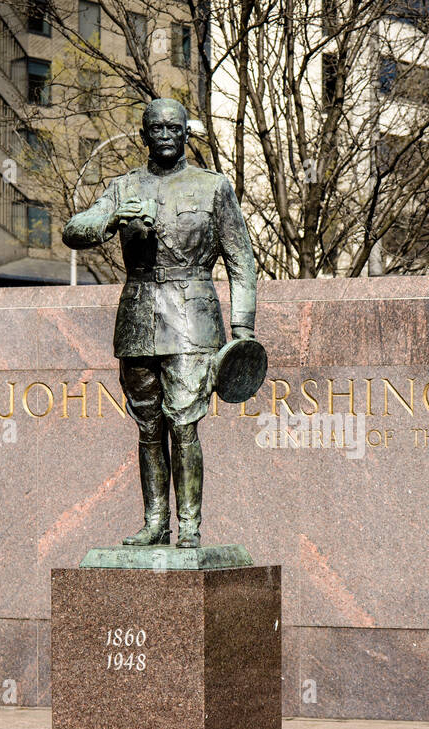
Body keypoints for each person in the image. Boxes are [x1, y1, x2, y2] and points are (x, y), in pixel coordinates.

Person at [62, 98, 257, 548]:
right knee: (148, 426)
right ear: (145, 135)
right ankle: (156, 522)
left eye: (173, 128)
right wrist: (113, 217)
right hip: (138, 316)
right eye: (156, 129)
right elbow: (75, 229)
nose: (165, 135)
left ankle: (189, 525)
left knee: (183, 422)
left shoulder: (213, 187)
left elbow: (241, 263)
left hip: (193, 319)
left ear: (185, 133)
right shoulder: (123, 186)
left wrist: (243, 332)